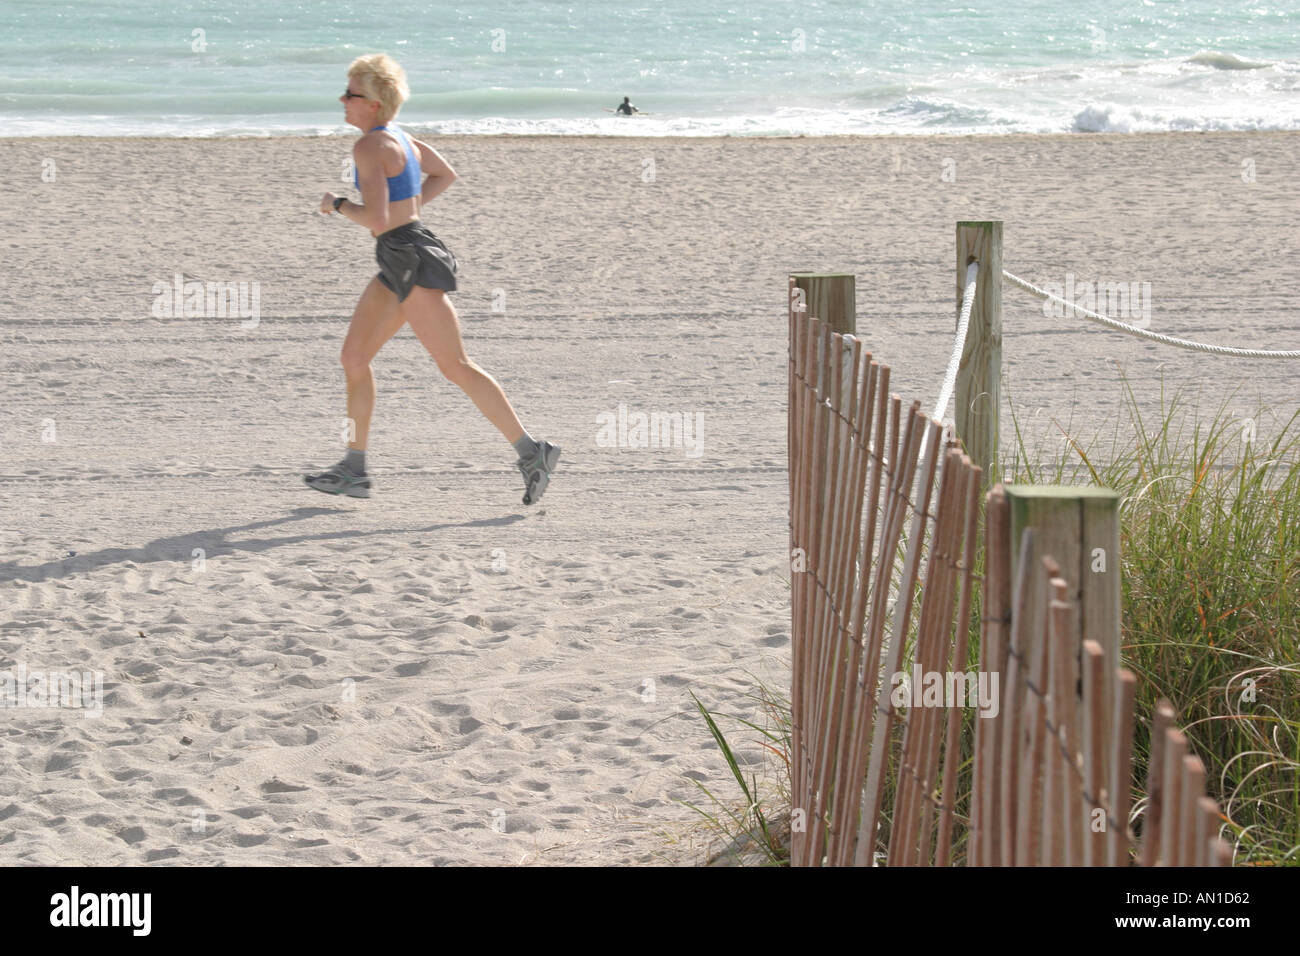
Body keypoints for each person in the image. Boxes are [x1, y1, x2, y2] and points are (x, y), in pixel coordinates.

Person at [309, 53, 559, 505]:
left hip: (413, 261)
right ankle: (353, 469)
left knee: (454, 366)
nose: (342, 99)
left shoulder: (369, 147)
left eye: (352, 93)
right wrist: (410, 213)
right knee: (354, 357)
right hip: (400, 255)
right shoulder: (401, 139)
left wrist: (338, 205)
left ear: (375, 105)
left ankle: (532, 452)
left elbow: (377, 217)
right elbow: (445, 174)